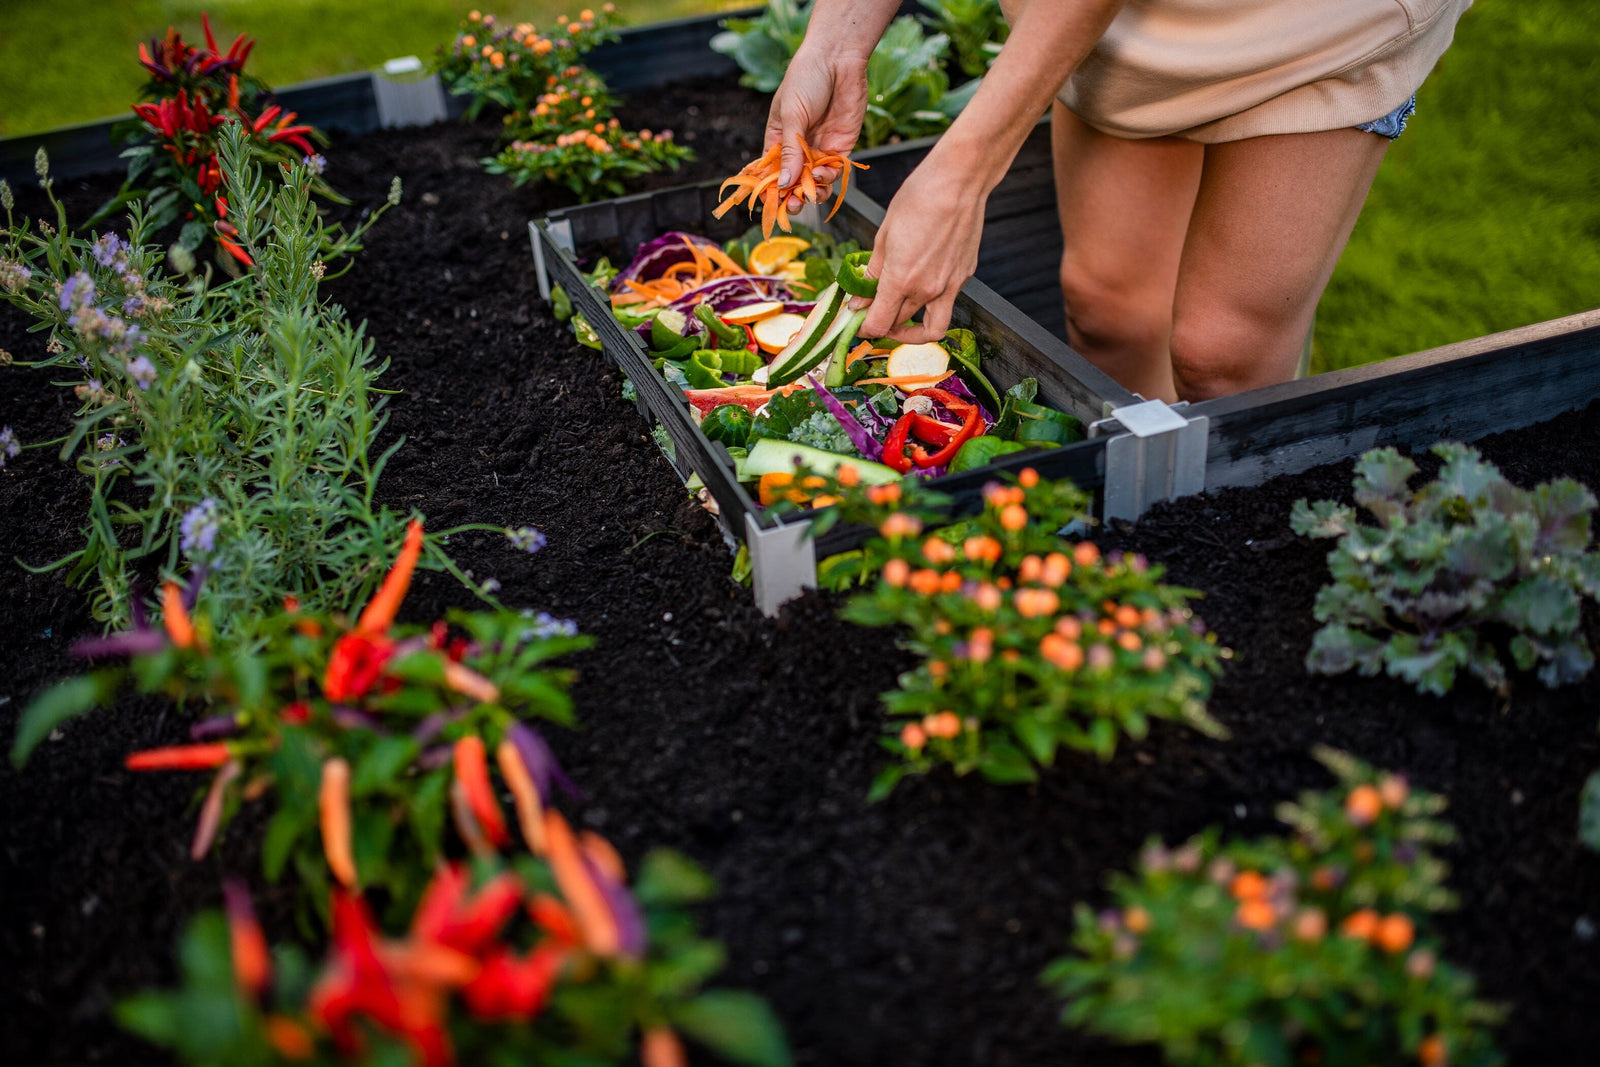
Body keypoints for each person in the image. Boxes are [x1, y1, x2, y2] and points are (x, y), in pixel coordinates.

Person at [765, 0, 1473, 401]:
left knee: (1222, 353)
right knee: (1108, 311)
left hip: (1307, 21)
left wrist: (963, 173)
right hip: (1118, 22)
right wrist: (838, 44)